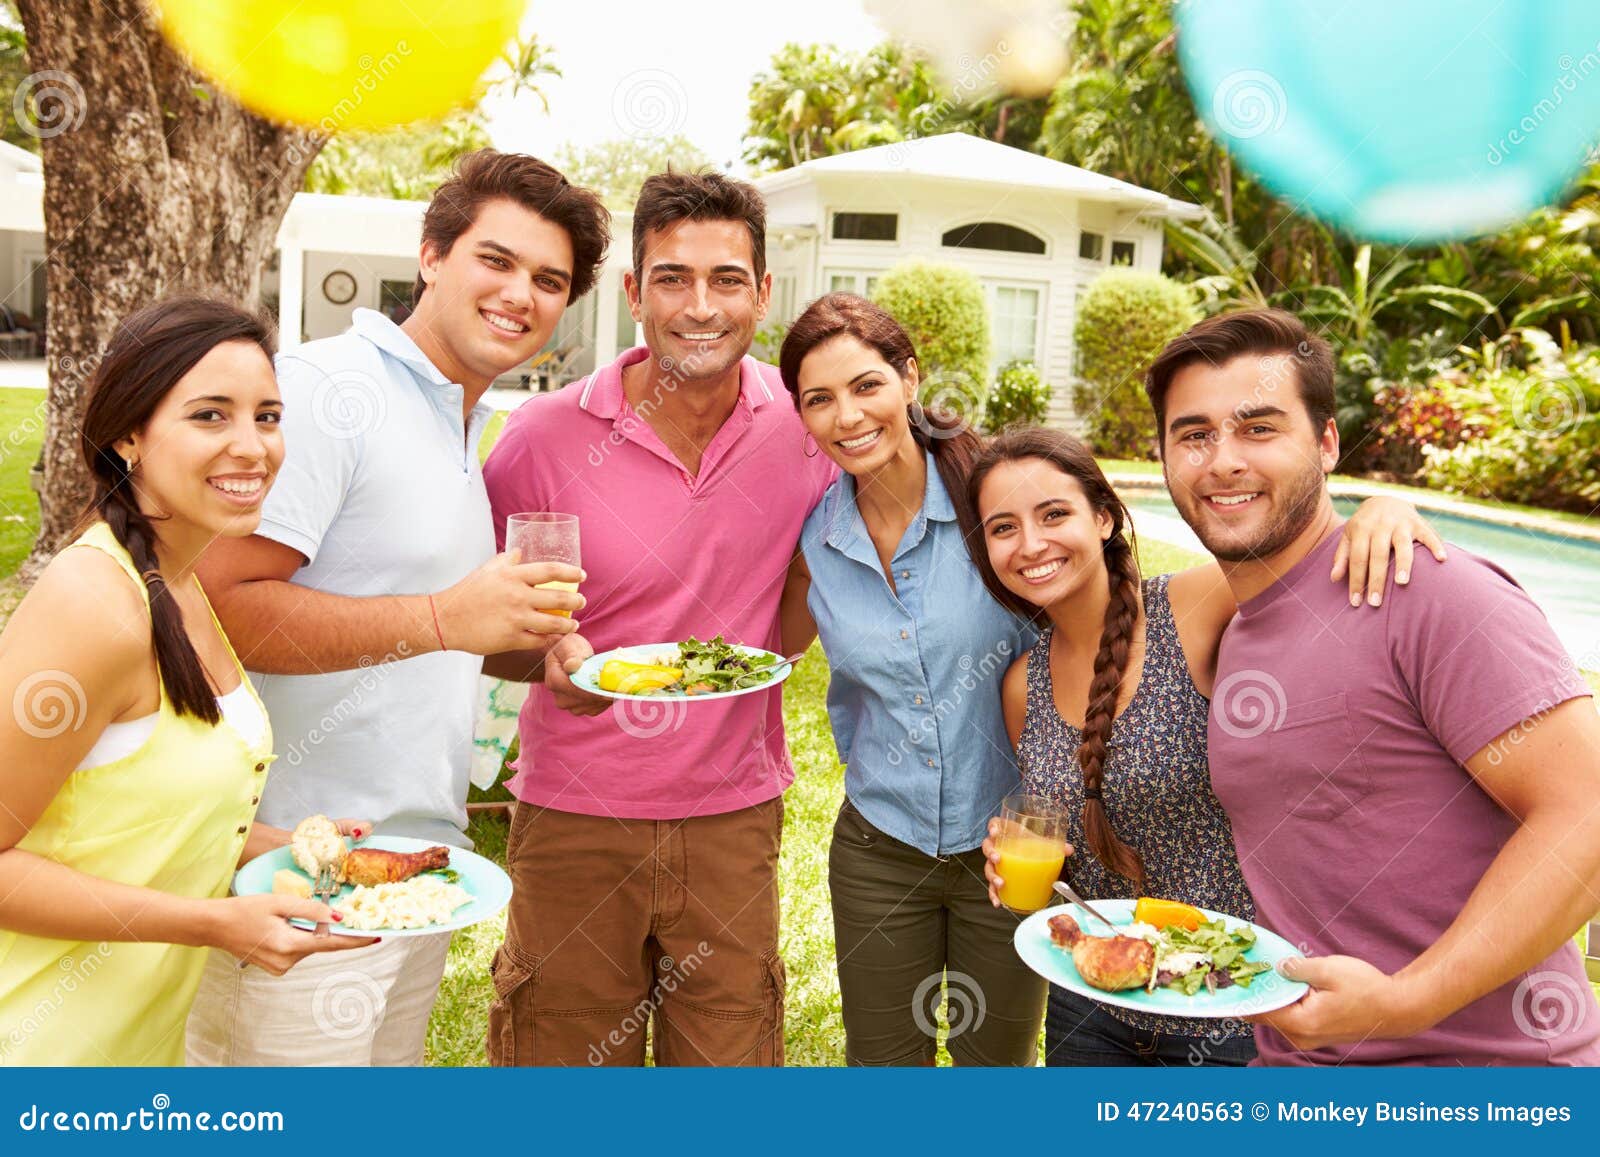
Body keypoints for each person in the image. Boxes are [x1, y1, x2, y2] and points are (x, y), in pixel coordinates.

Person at [185, 151, 608, 1067]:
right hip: (292, 867)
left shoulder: (462, 419)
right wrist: (448, 616)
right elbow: (216, 606)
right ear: (431, 255)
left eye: (549, 280)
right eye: (495, 260)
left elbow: (422, 627)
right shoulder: (327, 390)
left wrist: (542, 662)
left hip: (414, 866)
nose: (520, 294)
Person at [1146, 308, 1600, 1064]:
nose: (1223, 461)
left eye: (1259, 429)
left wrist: (1405, 1002)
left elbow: (1585, 813)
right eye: (1194, 435)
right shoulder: (1234, 627)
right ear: (1162, 457)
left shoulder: (1426, 590)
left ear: (1326, 443)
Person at [481, 170, 836, 1067]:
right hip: (574, 815)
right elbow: (482, 632)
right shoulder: (542, 436)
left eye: (727, 280)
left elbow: (795, 622)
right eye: (673, 279)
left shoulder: (806, 427)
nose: (700, 306)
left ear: (763, 292)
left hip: (733, 815)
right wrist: (546, 656)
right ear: (635, 292)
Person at [965, 424, 1440, 1066]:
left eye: (1054, 514)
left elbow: (1307, 554)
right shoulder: (1023, 683)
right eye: (1003, 527)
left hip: (1229, 999)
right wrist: (1015, 857)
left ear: (1103, 518)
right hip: (1092, 1000)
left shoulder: (1193, 606)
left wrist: (1384, 509)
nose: (1030, 544)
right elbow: (1069, 836)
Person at [0, 298, 375, 1066]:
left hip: (134, 1056)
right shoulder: (93, 602)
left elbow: (136, 817)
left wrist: (293, 848)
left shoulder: (180, 582)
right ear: (127, 435)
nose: (252, 447)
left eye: (267, 417)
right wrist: (212, 922)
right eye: (211, 415)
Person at [774, 293, 1045, 1065]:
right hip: (880, 849)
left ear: (910, 379)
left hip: (1011, 847)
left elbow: (1106, 603)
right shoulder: (818, 540)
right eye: (819, 400)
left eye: (867, 385)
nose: (848, 416)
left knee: (997, 1068)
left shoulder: (998, 505)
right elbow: (765, 647)